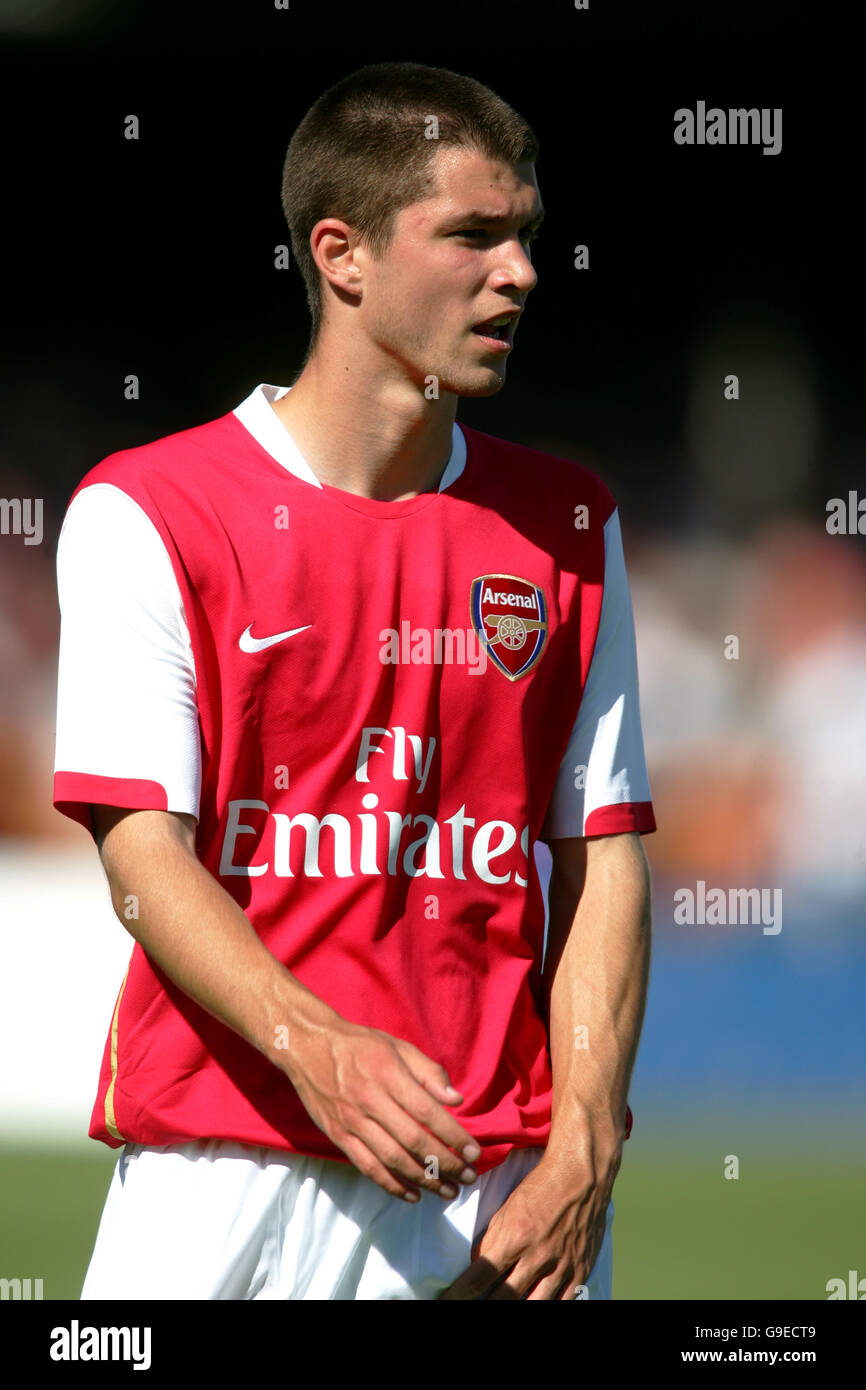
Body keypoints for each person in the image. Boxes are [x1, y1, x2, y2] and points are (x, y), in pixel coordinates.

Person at [52, 61, 655, 1301]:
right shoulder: (150, 510)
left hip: (498, 1195)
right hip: (222, 1173)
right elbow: (143, 857)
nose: (520, 272)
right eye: (473, 235)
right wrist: (317, 1046)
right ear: (342, 254)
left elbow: (602, 857)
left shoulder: (570, 526)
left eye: (526, 235)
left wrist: (586, 1137)